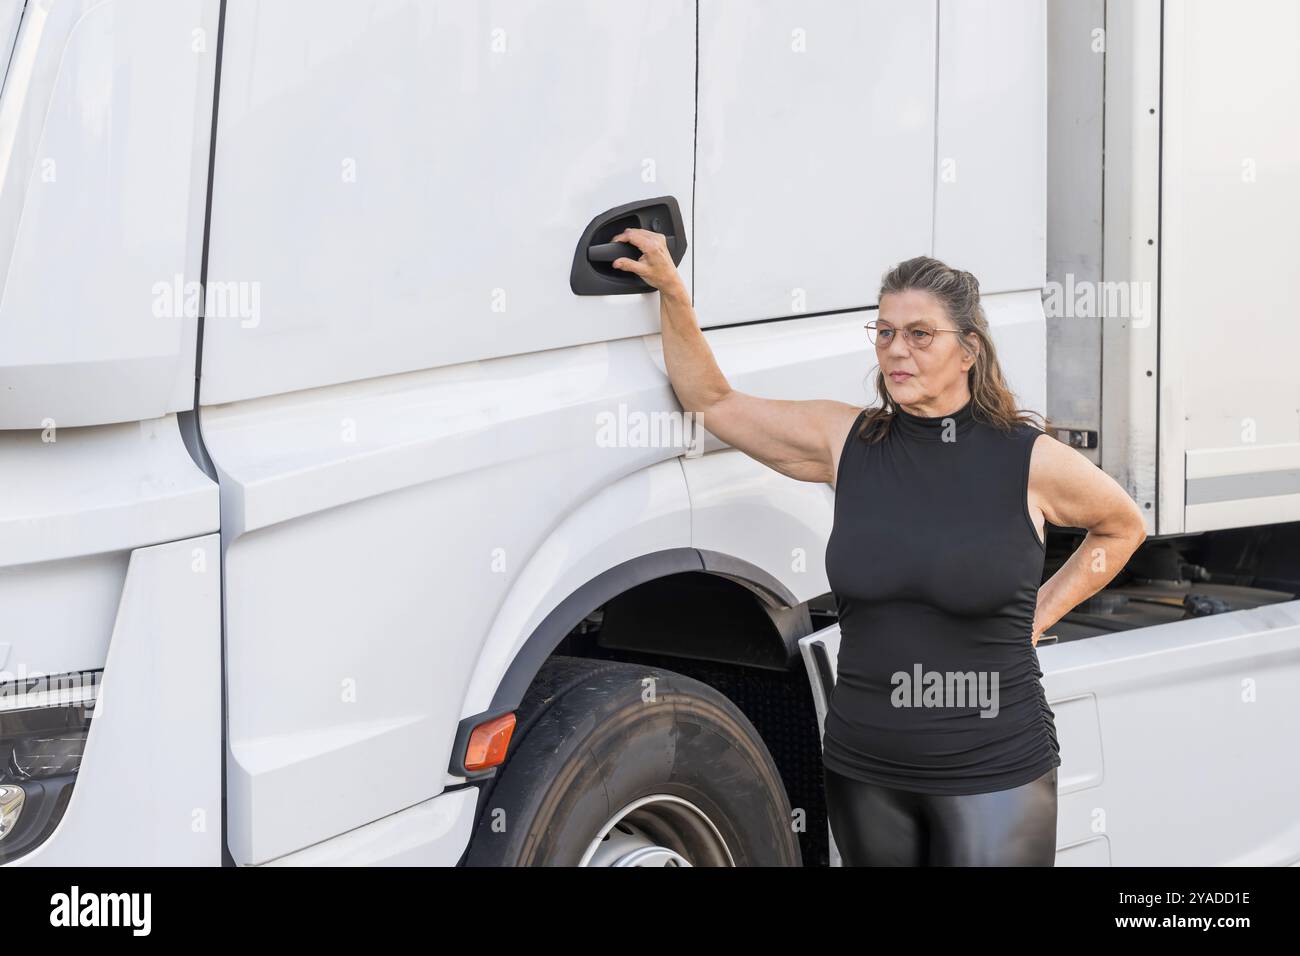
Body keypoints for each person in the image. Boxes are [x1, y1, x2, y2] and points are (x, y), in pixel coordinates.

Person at [610, 231, 1147, 866]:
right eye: (885, 332)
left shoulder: (1026, 460)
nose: (898, 350)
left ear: (969, 348)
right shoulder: (849, 441)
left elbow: (1121, 526)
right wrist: (672, 292)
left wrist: (1039, 617)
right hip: (865, 766)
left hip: (992, 768)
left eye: (921, 334)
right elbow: (712, 401)